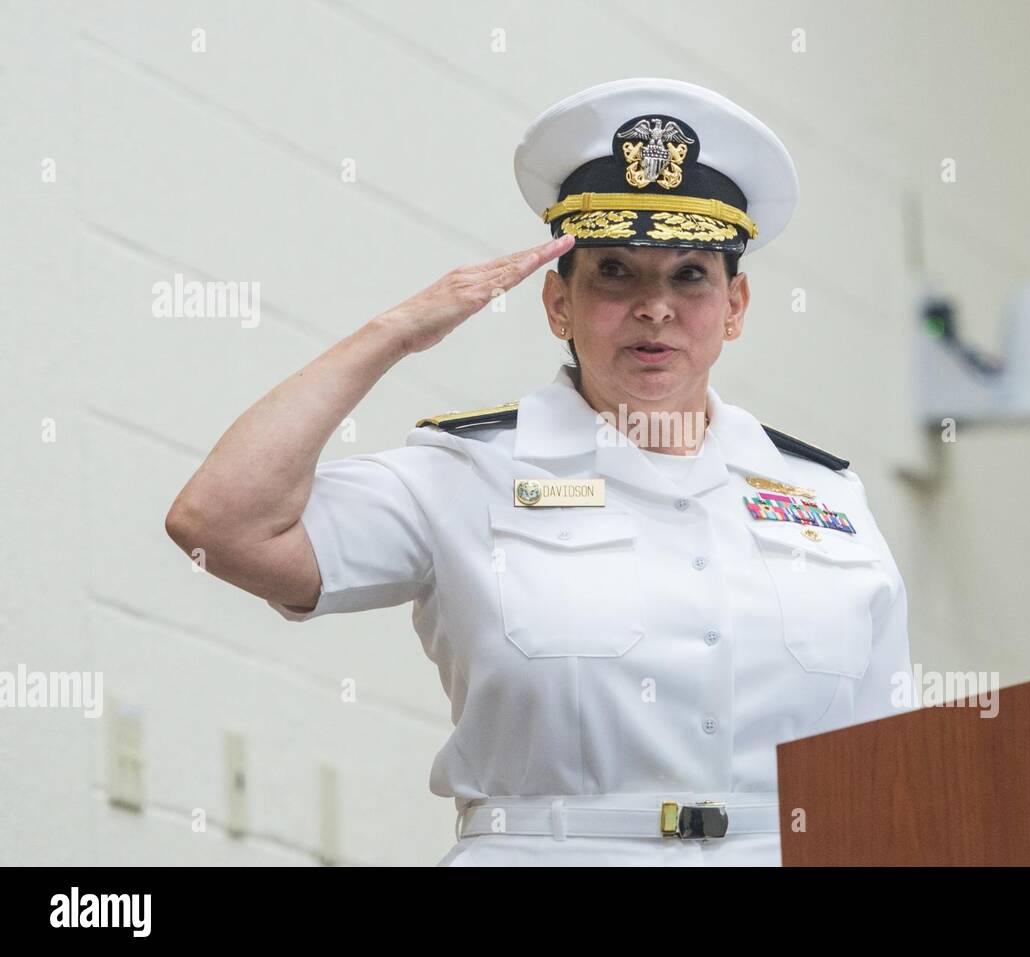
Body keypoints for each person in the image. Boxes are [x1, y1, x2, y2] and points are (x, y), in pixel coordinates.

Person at [165, 77, 914, 867]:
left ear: (736, 304)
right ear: (557, 302)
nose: (655, 307)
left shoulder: (827, 499)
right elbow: (219, 524)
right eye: (616, 273)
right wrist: (396, 332)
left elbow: (894, 775)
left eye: (690, 274)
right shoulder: (463, 473)